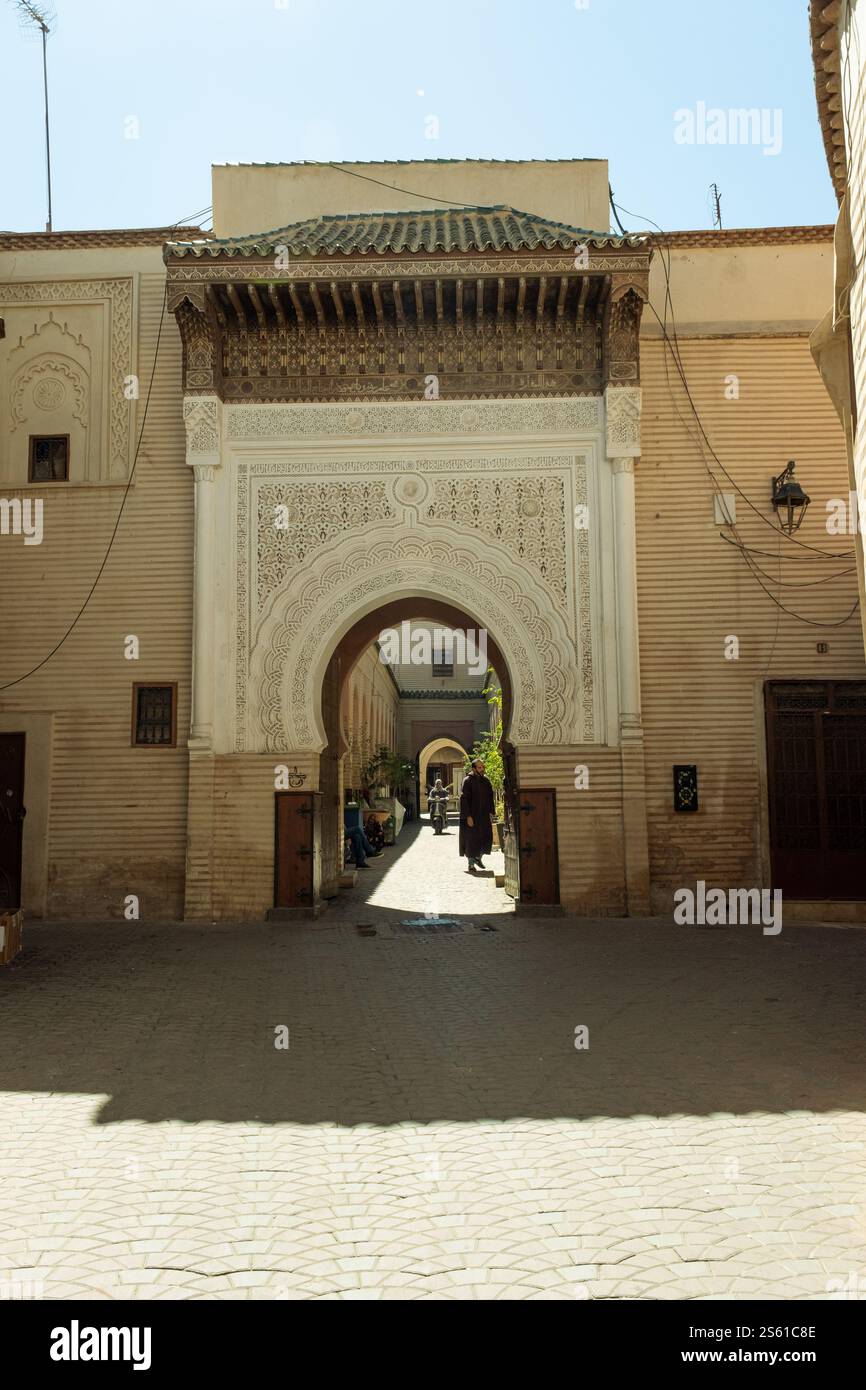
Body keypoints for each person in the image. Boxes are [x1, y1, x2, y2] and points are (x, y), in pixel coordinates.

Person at [459, 757, 495, 871]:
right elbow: (463, 799)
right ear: (474, 769)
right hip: (472, 816)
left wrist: (491, 812)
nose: (482, 769)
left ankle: (478, 858)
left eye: (483, 767)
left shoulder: (486, 781)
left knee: (485, 837)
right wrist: (468, 816)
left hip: (484, 816)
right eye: (479, 767)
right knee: (471, 839)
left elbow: (490, 797)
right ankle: (471, 864)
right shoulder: (467, 781)